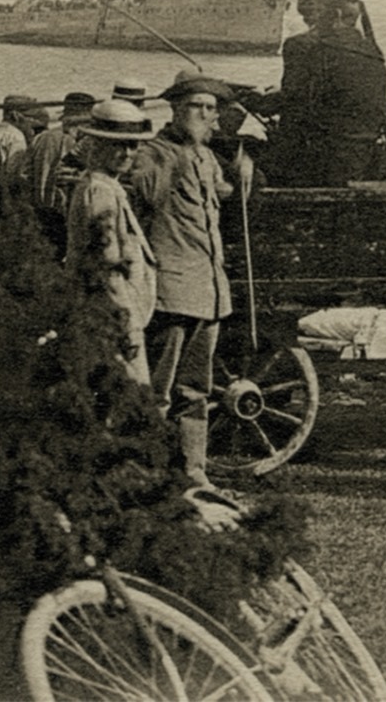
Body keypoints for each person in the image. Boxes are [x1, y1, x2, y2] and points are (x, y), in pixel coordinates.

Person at [129, 75, 236, 486]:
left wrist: (241, 177)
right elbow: (147, 193)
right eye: (196, 106)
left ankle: (194, 472)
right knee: (158, 390)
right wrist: (177, 157)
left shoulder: (207, 157)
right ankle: (150, 473)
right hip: (172, 290)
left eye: (211, 108)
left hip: (209, 290)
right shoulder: (154, 152)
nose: (205, 115)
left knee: (196, 391)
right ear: (175, 110)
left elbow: (219, 195)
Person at [64, 99, 159, 385]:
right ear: (97, 145)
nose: (126, 153)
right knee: (131, 392)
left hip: (108, 313)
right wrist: (127, 323)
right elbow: (107, 266)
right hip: (110, 314)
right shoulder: (99, 191)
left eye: (132, 145)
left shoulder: (108, 186)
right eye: (117, 145)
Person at [267, 0, 386, 186]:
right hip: (361, 159)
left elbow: (293, 106)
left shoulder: (309, 48)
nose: (312, 23)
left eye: (316, 15)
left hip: (318, 163)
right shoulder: (373, 53)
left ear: (336, 14)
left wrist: (257, 101)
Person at [11, 91, 96, 255]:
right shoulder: (79, 142)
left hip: (38, 211)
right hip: (66, 213)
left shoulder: (42, 138)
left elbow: (23, 175)